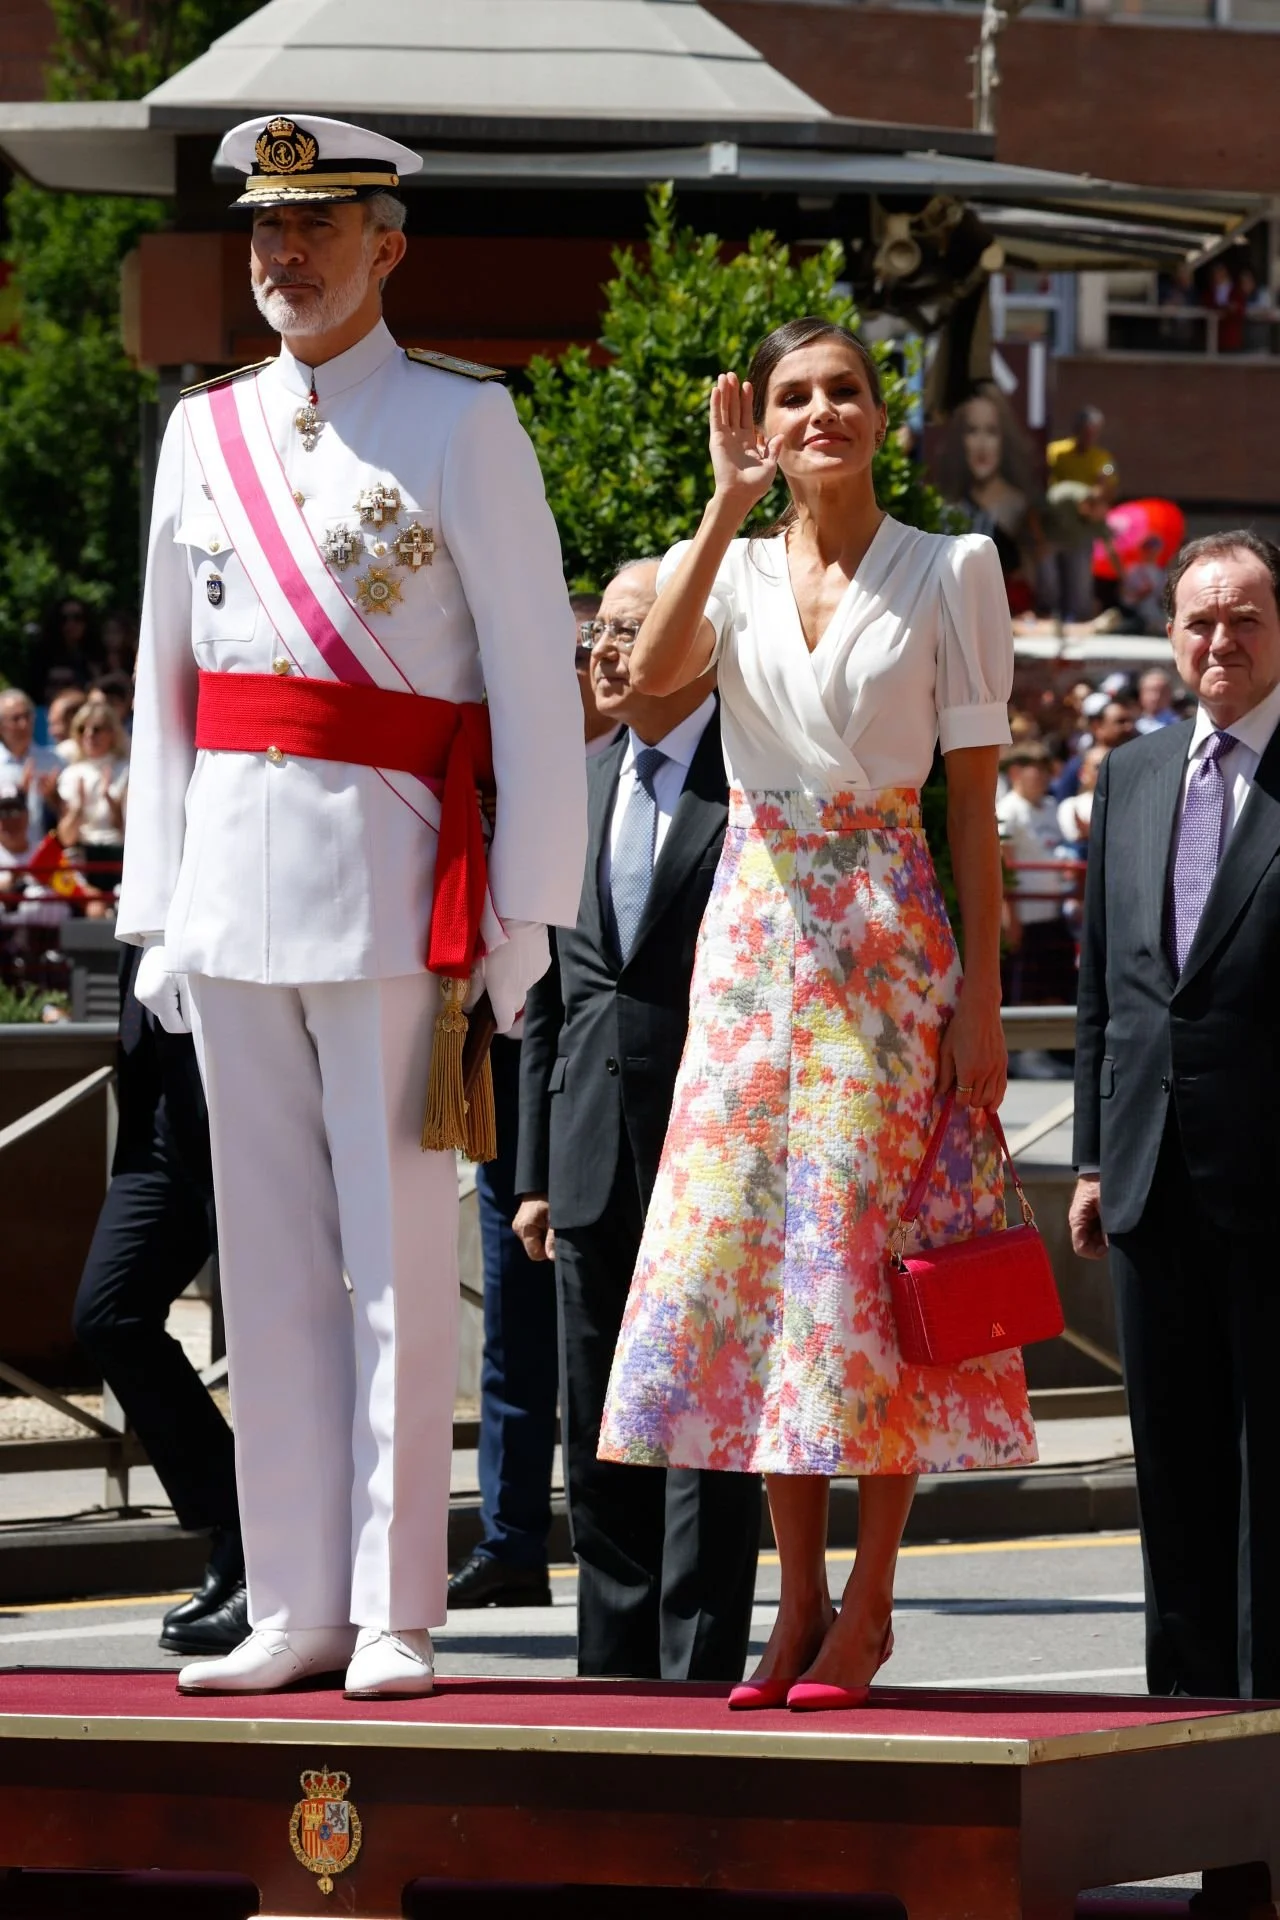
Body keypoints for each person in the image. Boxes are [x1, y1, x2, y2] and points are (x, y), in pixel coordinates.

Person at [116, 111, 586, 1698]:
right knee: (261, 1273)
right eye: (265, 229)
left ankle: (394, 1608)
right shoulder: (203, 432)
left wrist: (522, 918)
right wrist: (155, 905)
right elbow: (165, 688)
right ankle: (292, 1603)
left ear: (389, 245)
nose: (285, 257)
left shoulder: (464, 423)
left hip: (399, 891)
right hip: (236, 897)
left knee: (398, 1264)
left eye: (317, 230)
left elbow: (531, 679)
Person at [596, 318, 1036, 1712]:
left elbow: (971, 809)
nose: (822, 411)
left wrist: (981, 998)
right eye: (796, 395)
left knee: (867, 1266)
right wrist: (723, 507)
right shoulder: (715, 564)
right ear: (764, 421)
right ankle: (795, 1608)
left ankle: (874, 1606)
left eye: (844, 390)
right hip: (753, 940)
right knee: (766, 1271)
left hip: (891, 945)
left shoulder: (951, 567)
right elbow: (650, 684)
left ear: (877, 413)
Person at [1071, 530, 1280, 1920]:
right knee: (1181, 1519)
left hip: (1274, 1198)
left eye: (1245, 619)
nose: (1217, 641)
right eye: (1198, 619)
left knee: (1273, 1524)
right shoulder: (1136, 772)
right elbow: (1105, 991)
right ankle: (1203, 1821)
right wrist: (1089, 1155)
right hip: (1147, 1189)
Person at [513, 559, 761, 1682]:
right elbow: (552, 998)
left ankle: (697, 1680)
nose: (603, 654)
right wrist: (531, 1174)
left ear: (695, 644)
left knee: (701, 1434)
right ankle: (609, 1681)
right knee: (598, 1433)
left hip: (711, 1160)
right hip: (585, 1162)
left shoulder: (754, 779)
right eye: (596, 634)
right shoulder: (579, 781)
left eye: (629, 630)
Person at [73, 939, 245, 1658]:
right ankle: (240, 1523)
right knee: (108, 1314)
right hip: (160, 1105)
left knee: (274, 1343)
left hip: (242, 1091)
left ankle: (269, 1561)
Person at [997, 741, 1076, 1007]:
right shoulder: (1008, 811)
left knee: (1057, 990)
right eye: (1036, 770)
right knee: (1025, 994)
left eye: (1046, 770)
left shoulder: (1052, 806)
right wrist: (1011, 919)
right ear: (1016, 773)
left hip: (1054, 915)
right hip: (1026, 918)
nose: (1044, 776)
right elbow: (1003, 866)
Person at [56, 701, 129, 891]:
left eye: (97, 729)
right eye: (82, 729)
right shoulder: (70, 774)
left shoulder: (127, 770)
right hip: (83, 858)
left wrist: (110, 801)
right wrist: (77, 810)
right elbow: (66, 838)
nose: (89, 735)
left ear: (112, 732)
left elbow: (129, 831)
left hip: (119, 856)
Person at [0, 689, 61, 841]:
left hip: (42, 858)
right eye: (16, 718)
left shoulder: (54, 761)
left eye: (27, 716)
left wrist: (54, 798)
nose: (24, 724)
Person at [1134, 666, 1178, 733]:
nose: (1156, 697)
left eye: (1162, 692)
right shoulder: (1130, 723)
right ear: (1141, 693)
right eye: (1151, 691)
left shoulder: (1177, 723)